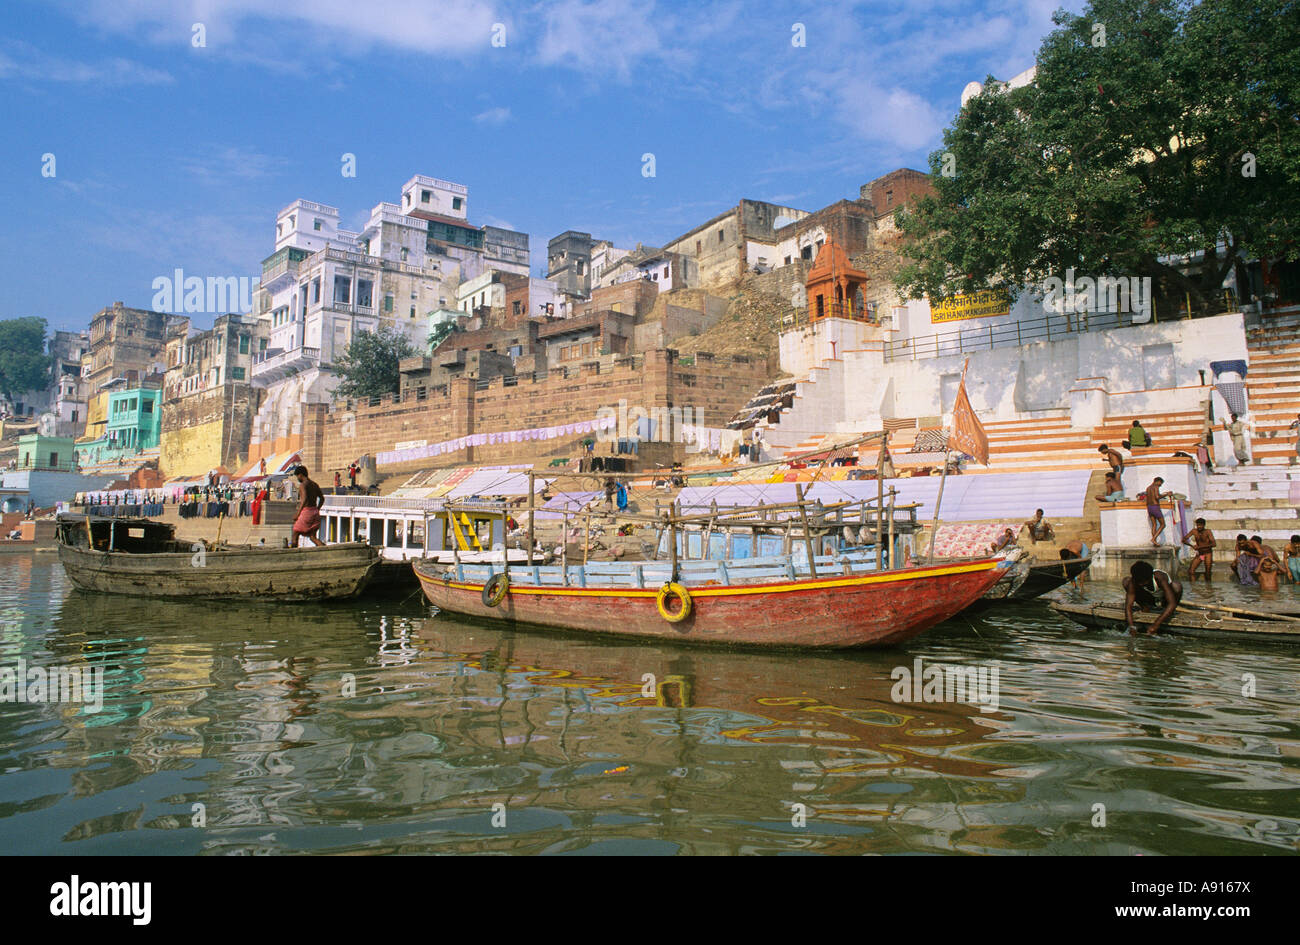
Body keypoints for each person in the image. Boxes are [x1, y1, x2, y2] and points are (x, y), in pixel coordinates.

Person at [1123, 560, 1183, 635]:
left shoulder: (1159, 577)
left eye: (1144, 582)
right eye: (1139, 582)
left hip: (1165, 599)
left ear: (1150, 577)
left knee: (1177, 586)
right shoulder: (1134, 581)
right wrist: (1131, 627)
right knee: (1126, 581)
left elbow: (1172, 604)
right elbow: (1128, 606)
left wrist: (1156, 625)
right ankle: (1145, 606)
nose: (1141, 584)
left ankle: (1167, 610)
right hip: (1149, 598)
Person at [291, 465, 325, 547]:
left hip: (307, 512)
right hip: (315, 513)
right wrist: (317, 509)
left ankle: (293, 556)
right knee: (313, 537)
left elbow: (305, 499)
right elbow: (322, 498)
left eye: (297, 476)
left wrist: (298, 513)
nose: (297, 478)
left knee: (295, 534)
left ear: (300, 475)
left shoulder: (303, 485)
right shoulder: (314, 484)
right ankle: (324, 550)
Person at [1182, 517, 1216, 582]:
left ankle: (1209, 589)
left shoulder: (1208, 532)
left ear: (1204, 525)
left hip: (1207, 553)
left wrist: (1199, 547)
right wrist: (1192, 546)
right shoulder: (1194, 531)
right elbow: (1184, 540)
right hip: (1201, 554)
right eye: (1198, 525)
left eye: (1200, 525)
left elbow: (1214, 544)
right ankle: (1194, 588)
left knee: (1208, 572)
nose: (1199, 527)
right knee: (1191, 571)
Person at [1143, 477, 1173, 545]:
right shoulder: (1155, 487)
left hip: (1149, 507)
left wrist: (1164, 494)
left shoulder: (1148, 488)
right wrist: (1167, 494)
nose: (1160, 485)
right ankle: (1153, 539)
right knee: (1163, 524)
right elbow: (1157, 497)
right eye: (1160, 483)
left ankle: (1155, 542)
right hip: (1155, 507)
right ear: (1157, 481)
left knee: (1154, 524)